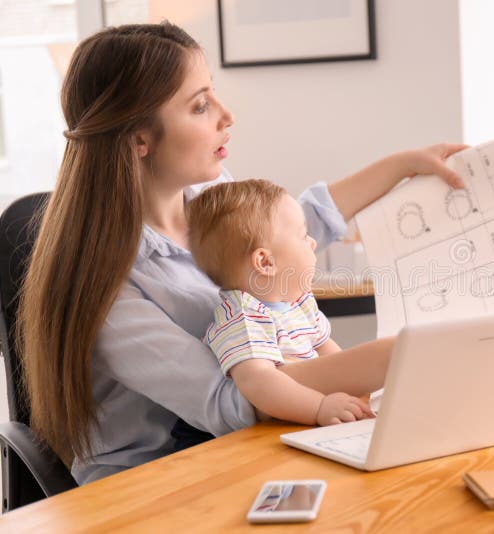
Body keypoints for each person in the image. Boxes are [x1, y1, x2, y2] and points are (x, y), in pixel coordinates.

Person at [17, 21, 466, 484]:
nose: (226, 116)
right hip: (149, 484)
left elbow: (286, 232)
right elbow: (231, 401)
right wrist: (388, 358)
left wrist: (403, 166)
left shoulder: (207, 194)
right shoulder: (107, 284)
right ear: (138, 140)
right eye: (200, 105)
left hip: (235, 451)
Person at [185, 179, 374, 430]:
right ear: (265, 262)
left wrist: (355, 383)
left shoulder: (298, 302)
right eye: (303, 235)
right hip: (276, 422)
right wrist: (319, 407)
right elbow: (260, 383)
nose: (313, 242)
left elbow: (327, 350)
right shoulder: (242, 319)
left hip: (300, 417)